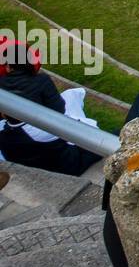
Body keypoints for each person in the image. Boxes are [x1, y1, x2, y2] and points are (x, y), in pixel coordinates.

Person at [0, 36, 100, 175]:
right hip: (44, 132)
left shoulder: (3, 83)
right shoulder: (41, 80)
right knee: (74, 100)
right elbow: (59, 110)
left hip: (18, 136)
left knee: (73, 97)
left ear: (9, 66)